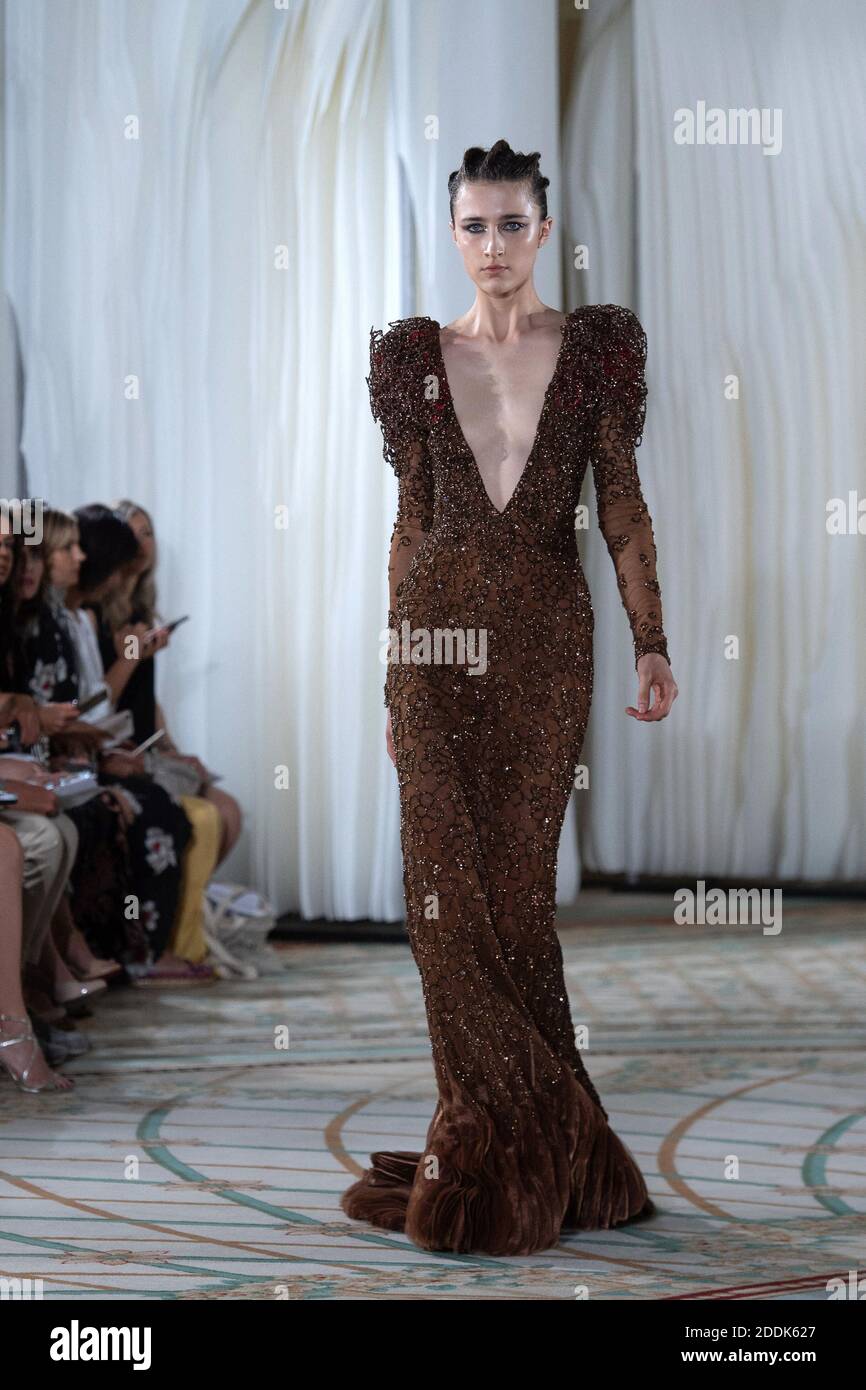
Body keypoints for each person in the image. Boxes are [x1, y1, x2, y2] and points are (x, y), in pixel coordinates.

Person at [341, 141, 678, 1257]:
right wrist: (391, 676)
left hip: (543, 651)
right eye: (472, 226)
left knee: (518, 907)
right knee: (438, 905)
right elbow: (408, 527)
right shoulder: (409, 359)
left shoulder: (593, 350)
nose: (491, 245)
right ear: (453, 235)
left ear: (543, 230)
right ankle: (499, 1130)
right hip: (429, 654)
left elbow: (619, 504)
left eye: (510, 224)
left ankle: (541, 1141)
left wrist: (652, 641)